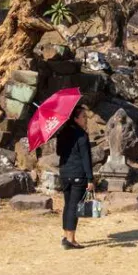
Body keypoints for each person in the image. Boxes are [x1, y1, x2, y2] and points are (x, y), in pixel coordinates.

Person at [56, 102, 95, 249]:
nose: (86, 119)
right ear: (75, 118)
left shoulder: (63, 132)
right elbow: (86, 158)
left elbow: (59, 152)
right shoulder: (82, 135)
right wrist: (90, 178)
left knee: (67, 205)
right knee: (74, 206)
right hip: (78, 173)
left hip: (65, 173)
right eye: (83, 116)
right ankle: (71, 239)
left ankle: (66, 235)